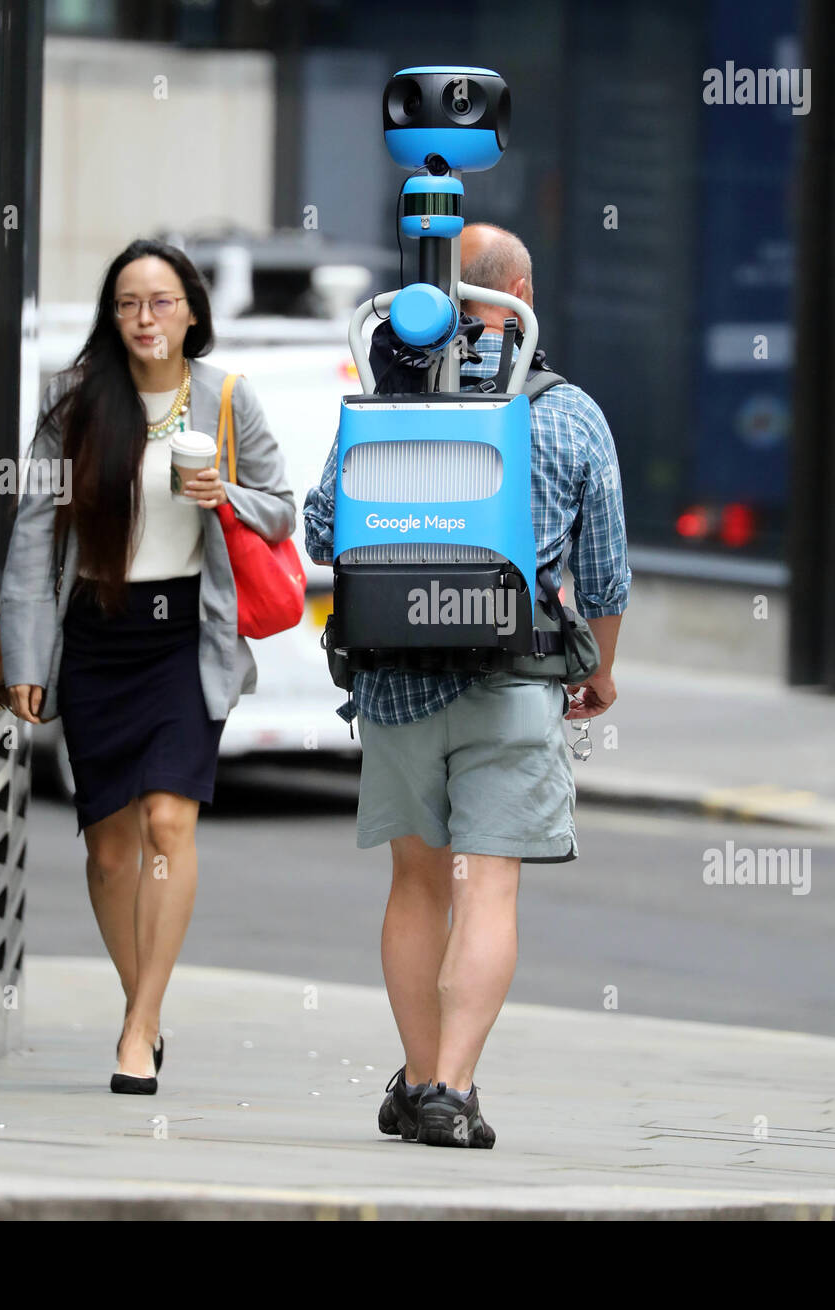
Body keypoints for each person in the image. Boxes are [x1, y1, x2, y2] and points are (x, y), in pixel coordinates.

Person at [303, 222, 631, 1147]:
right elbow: (605, 573)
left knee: (416, 885)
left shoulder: (386, 396)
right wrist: (601, 669)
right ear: (522, 288)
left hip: (396, 685)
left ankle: (414, 1082)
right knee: (487, 886)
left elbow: (325, 532)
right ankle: (453, 1088)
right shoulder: (568, 413)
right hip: (517, 682)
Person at [0, 238, 295, 1093]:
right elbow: (31, 535)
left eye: (161, 302)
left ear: (192, 313)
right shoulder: (75, 403)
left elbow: (280, 512)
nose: (145, 319)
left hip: (181, 640)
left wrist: (224, 496)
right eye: (129, 303)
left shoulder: (229, 400)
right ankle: (147, 1006)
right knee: (108, 851)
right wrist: (26, 651)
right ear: (111, 315)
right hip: (96, 635)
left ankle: (138, 1026)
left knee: (169, 820)